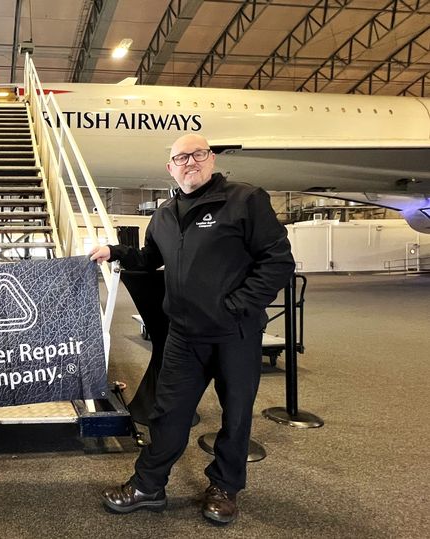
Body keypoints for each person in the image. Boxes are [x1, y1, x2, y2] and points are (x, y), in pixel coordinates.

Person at [90, 133, 295, 525]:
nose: (190, 162)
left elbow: (278, 262)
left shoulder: (245, 200)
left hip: (234, 333)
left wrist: (236, 307)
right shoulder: (164, 214)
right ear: (170, 168)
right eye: (180, 157)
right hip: (184, 336)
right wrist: (116, 252)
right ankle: (148, 485)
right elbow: (150, 259)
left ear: (211, 159)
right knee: (168, 412)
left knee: (235, 415)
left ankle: (224, 487)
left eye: (198, 154)